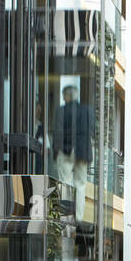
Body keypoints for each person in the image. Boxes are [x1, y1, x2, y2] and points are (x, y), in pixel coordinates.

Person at [52, 85, 93, 217]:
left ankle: (65, 215)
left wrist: (56, 151)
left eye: (64, 96)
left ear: (68, 96)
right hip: (82, 151)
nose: (63, 99)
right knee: (80, 185)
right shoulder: (87, 110)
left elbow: (57, 131)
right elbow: (91, 131)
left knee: (65, 182)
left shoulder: (61, 111)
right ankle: (79, 217)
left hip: (65, 150)